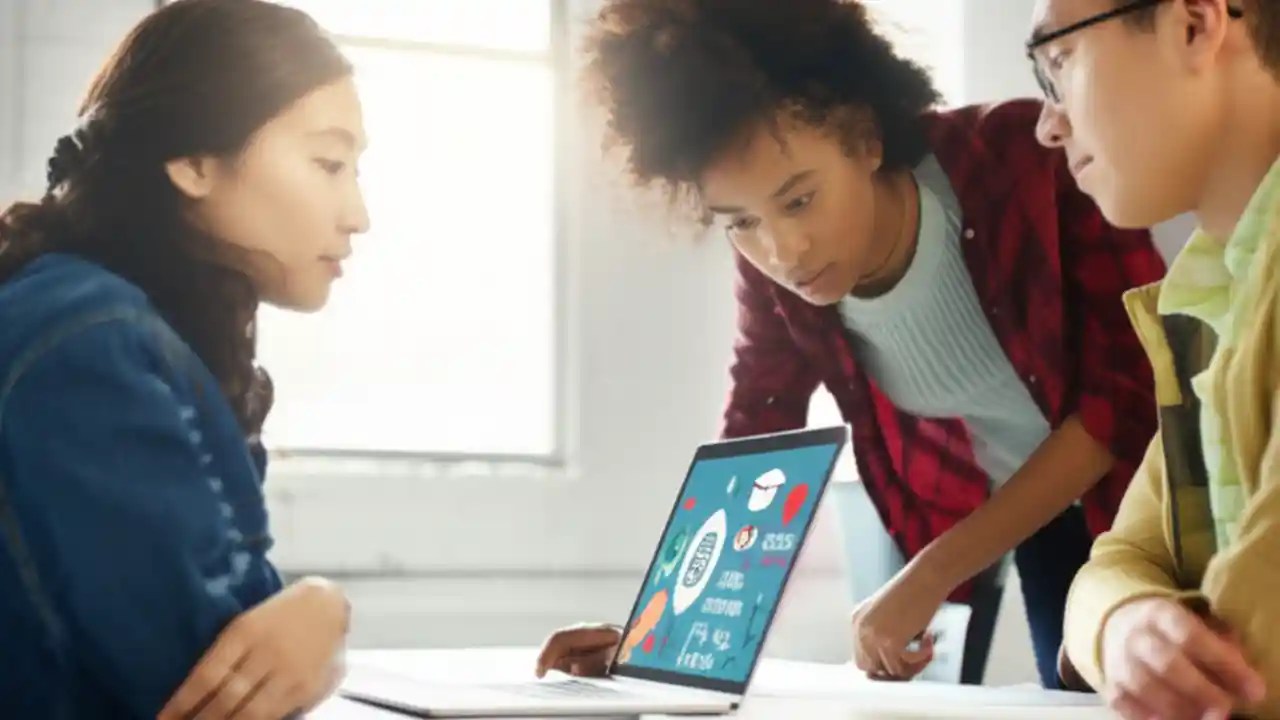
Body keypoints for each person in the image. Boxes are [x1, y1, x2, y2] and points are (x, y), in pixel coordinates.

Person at [536, 0, 1166, 689]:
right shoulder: (775, 281)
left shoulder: (1021, 159)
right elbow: (754, 449)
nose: (783, 250)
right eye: (741, 221)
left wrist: (931, 571)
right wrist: (659, 640)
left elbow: (1128, 395)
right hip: (989, 514)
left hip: (1154, 503)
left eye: (799, 200)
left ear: (866, 140)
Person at [0, 0, 370, 716]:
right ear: (194, 160)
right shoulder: (91, 344)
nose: (357, 214)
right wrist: (317, 615)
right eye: (328, 163)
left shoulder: (86, 311)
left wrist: (319, 606)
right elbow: (212, 686)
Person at [1030, 0, 1280, 716]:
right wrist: (1126, 627)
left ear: (1194, 24)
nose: (1048, 123)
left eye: (1060, 61)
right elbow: (1113, 564)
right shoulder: (1213, 299)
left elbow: (1245, 672)